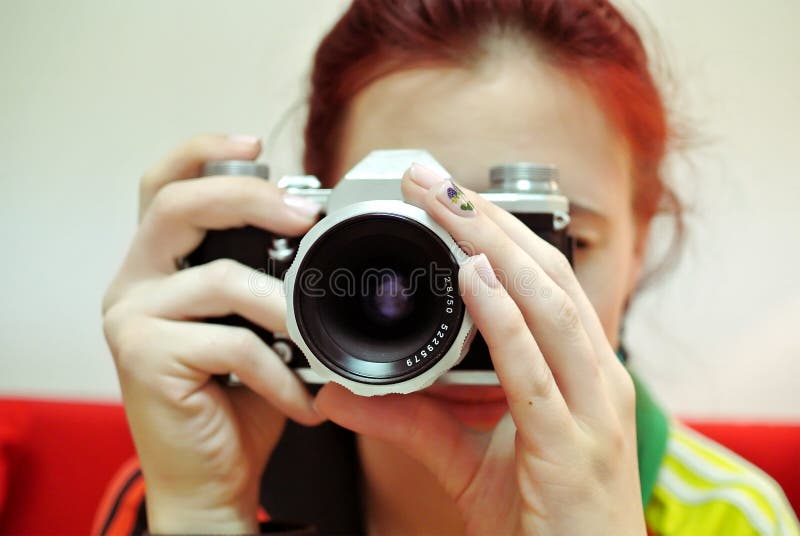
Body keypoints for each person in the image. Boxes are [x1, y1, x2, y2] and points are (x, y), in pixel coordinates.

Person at [97, 0, 799, 534]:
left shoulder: (732, 515)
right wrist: (207, 513)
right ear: (304, 236)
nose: (474, 307)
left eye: (552, 247)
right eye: (395, 245)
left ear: (640, 246)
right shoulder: (177, 483)